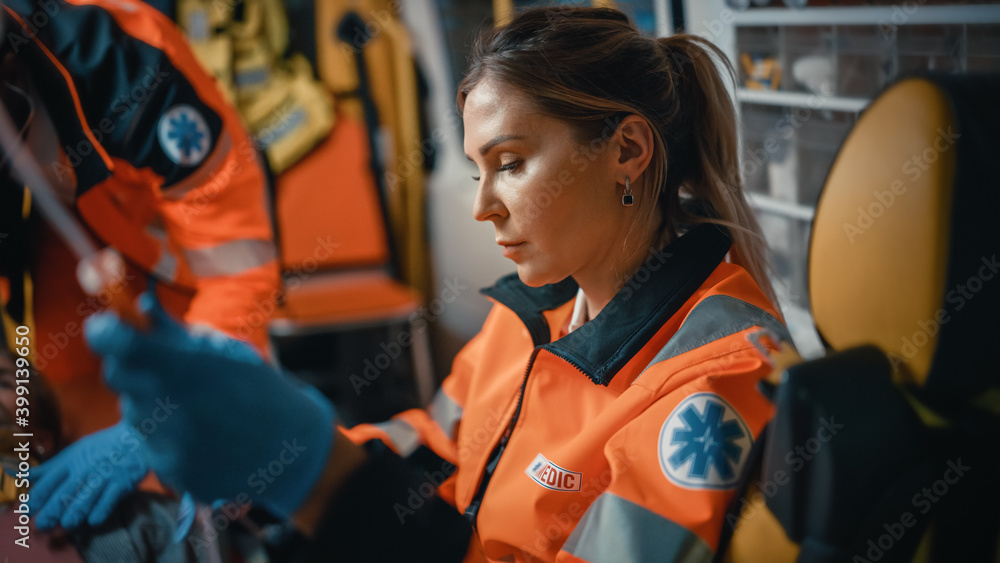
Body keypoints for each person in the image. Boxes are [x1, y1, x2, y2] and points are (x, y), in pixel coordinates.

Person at [83, 7, 790, 562]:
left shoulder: (717, 376)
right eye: (477, 170)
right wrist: (270, 482)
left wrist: (329, 487)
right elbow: (436, 444)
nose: (482, 206)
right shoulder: (533, 310)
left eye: (509, 163)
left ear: (627, 151)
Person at [1, 0, 279, 532]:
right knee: (71, 466)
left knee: (192, 462)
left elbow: (237, 268)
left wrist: (172, 417)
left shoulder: (131, 63)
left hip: (184, 273)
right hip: (56, 255)